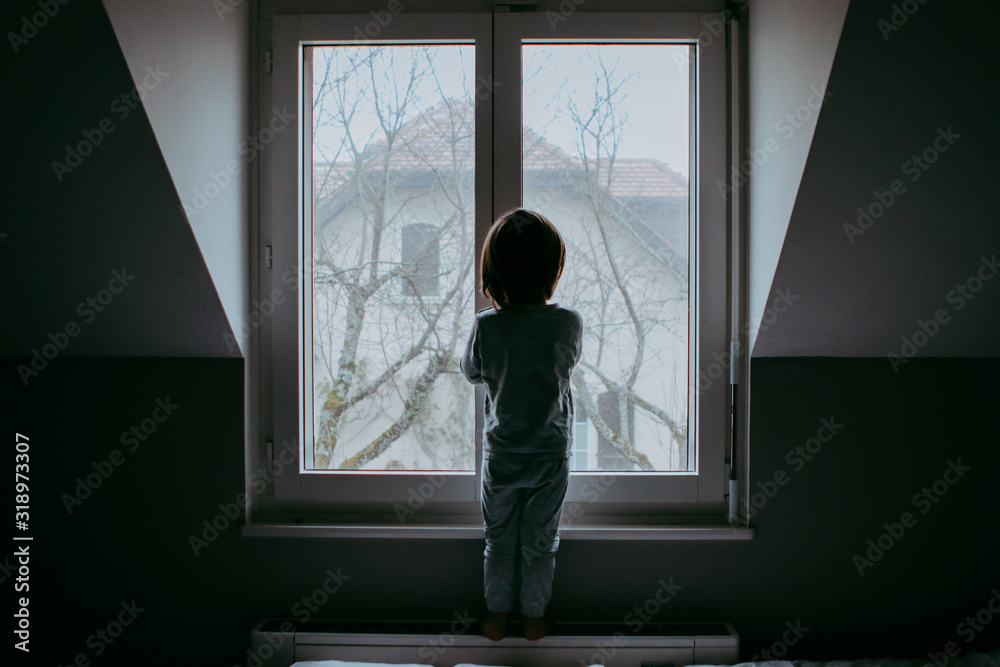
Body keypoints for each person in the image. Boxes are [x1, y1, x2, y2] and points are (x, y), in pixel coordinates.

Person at [460, 208, 584, 642]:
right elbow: (566, 365)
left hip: (503, 452)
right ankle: (534, 619)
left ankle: (496, 618)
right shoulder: (568, 322)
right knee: (539, 542)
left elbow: (472, 372)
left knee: (498, 541)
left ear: (493, 272)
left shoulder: (486, 327)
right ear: (553, 269)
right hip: (550, 452)